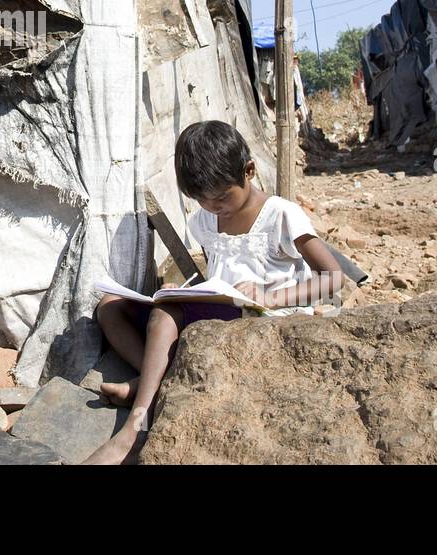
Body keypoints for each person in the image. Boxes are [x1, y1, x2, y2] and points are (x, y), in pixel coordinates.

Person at [81, 120, 343, 465]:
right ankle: (156, 379)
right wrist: (183, 291)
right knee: (110, 306)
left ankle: (134, 428)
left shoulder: (281, 215)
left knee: (164, 316)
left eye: (221, 196)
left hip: (264, 318)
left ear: (248, 171)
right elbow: (220, 274)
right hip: (221, 312)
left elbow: (334, 279)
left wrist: (270, 296)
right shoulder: (204, 221)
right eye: (201, 200)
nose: (213, 206)